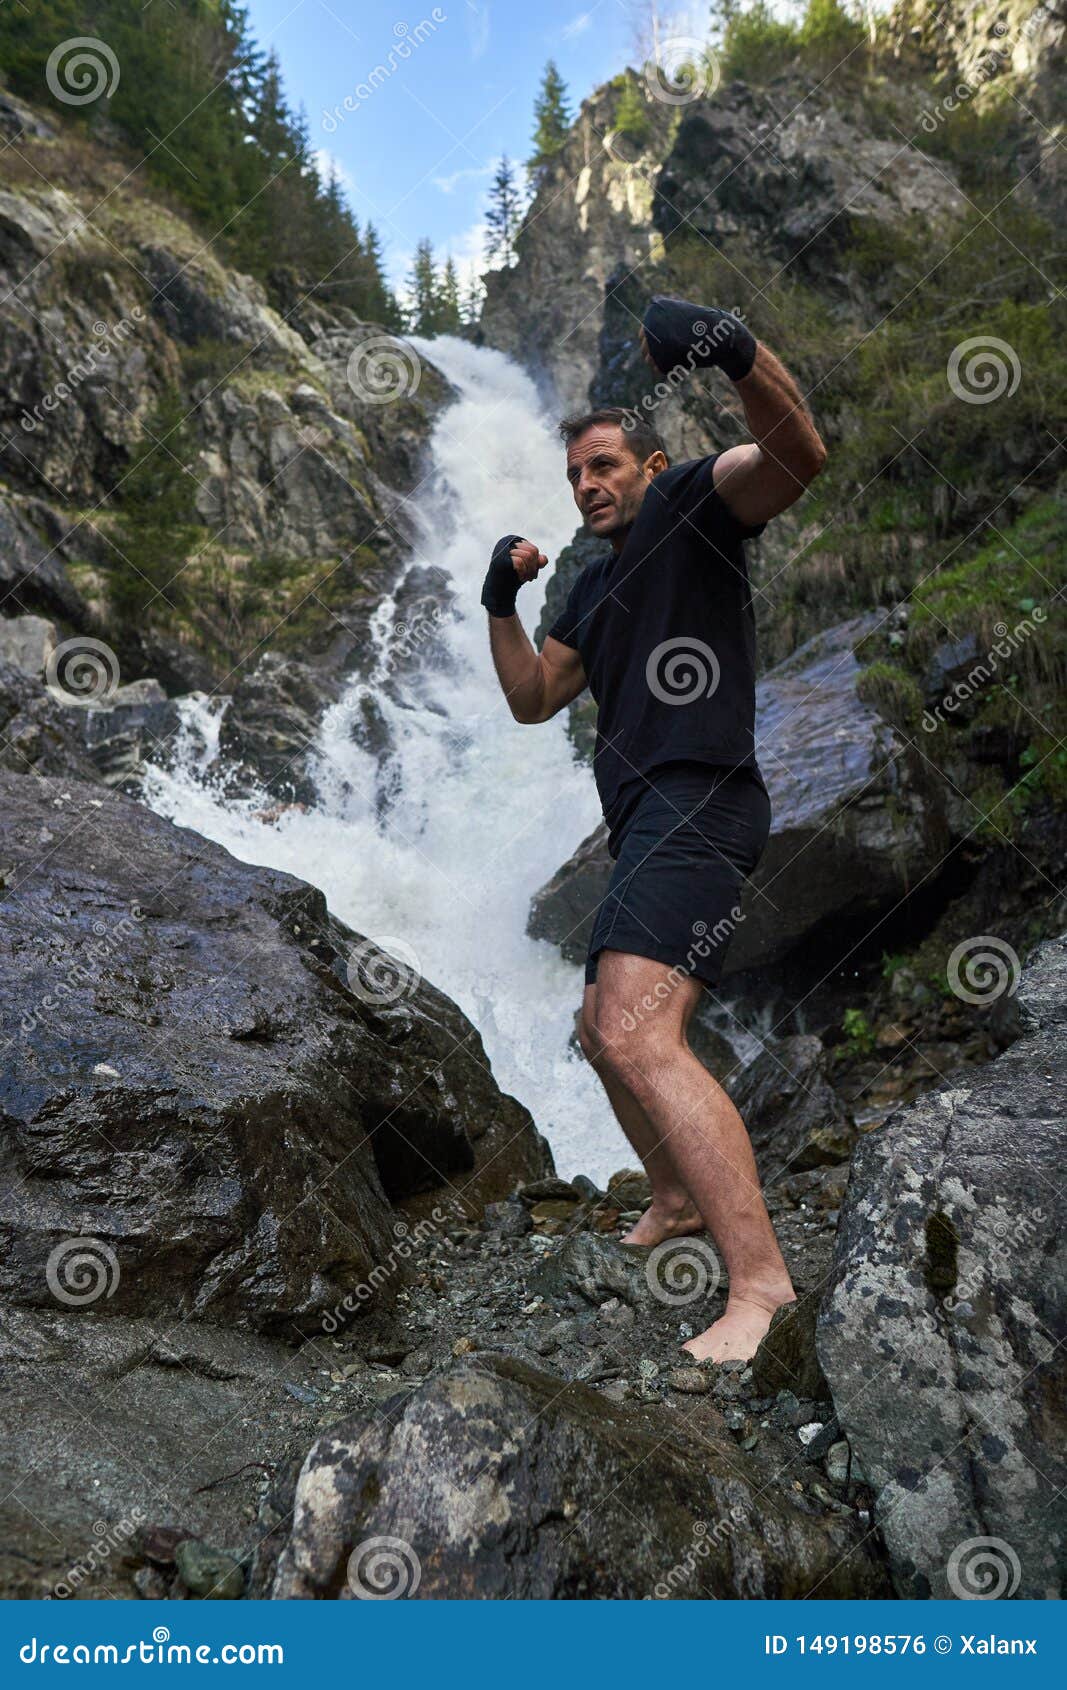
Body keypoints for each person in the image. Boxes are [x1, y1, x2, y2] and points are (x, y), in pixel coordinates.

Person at [480, 295, 827, 1363]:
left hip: (703, 793)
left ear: (648, 461)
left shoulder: (690, 502)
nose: (587, 485)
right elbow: (535, 697)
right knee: (598, 1028)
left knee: (638, 1029)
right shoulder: (584, 587)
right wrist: (498, 600)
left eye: (602, 465)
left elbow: (795, 453)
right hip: (642, 823)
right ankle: (674, 1194)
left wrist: (729, 347)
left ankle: (761, 1288)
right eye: (575, 474)